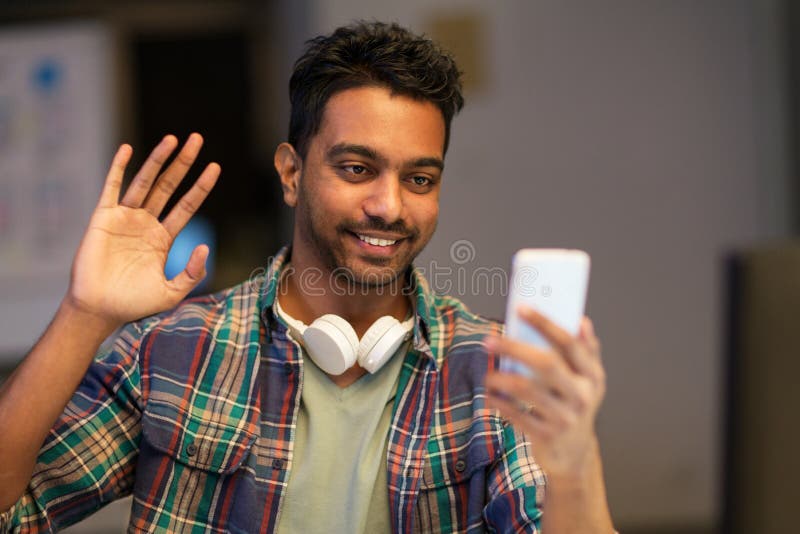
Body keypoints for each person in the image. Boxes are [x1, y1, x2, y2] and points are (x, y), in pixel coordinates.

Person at [0, 21, 615, 533]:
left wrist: (575, 459)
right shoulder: (174, 350)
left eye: (419, 180)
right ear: (291, 174)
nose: (390, 206)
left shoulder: (495, 370)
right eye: (356, 168)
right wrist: (84, 314)